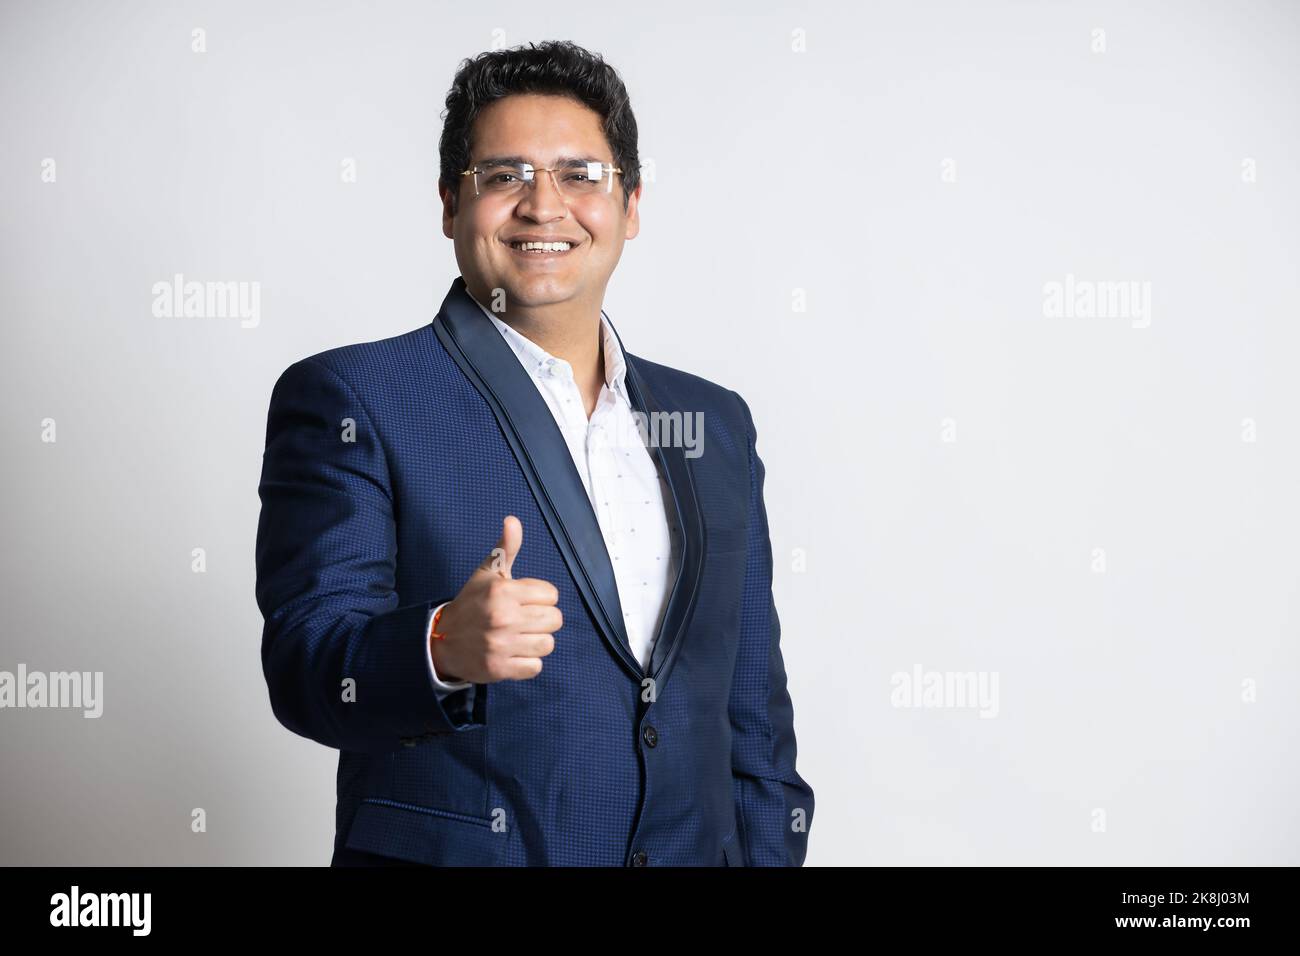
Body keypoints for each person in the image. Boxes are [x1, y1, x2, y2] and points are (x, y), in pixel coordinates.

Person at [255, 39, 813, 866]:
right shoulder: (355, 397)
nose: (544, 206)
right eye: (504, 175)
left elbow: (752, 716)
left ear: (629, 206)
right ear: (451, 203)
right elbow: (306, 667)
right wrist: (440, 644)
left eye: (580, 175)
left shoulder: (712, 421)